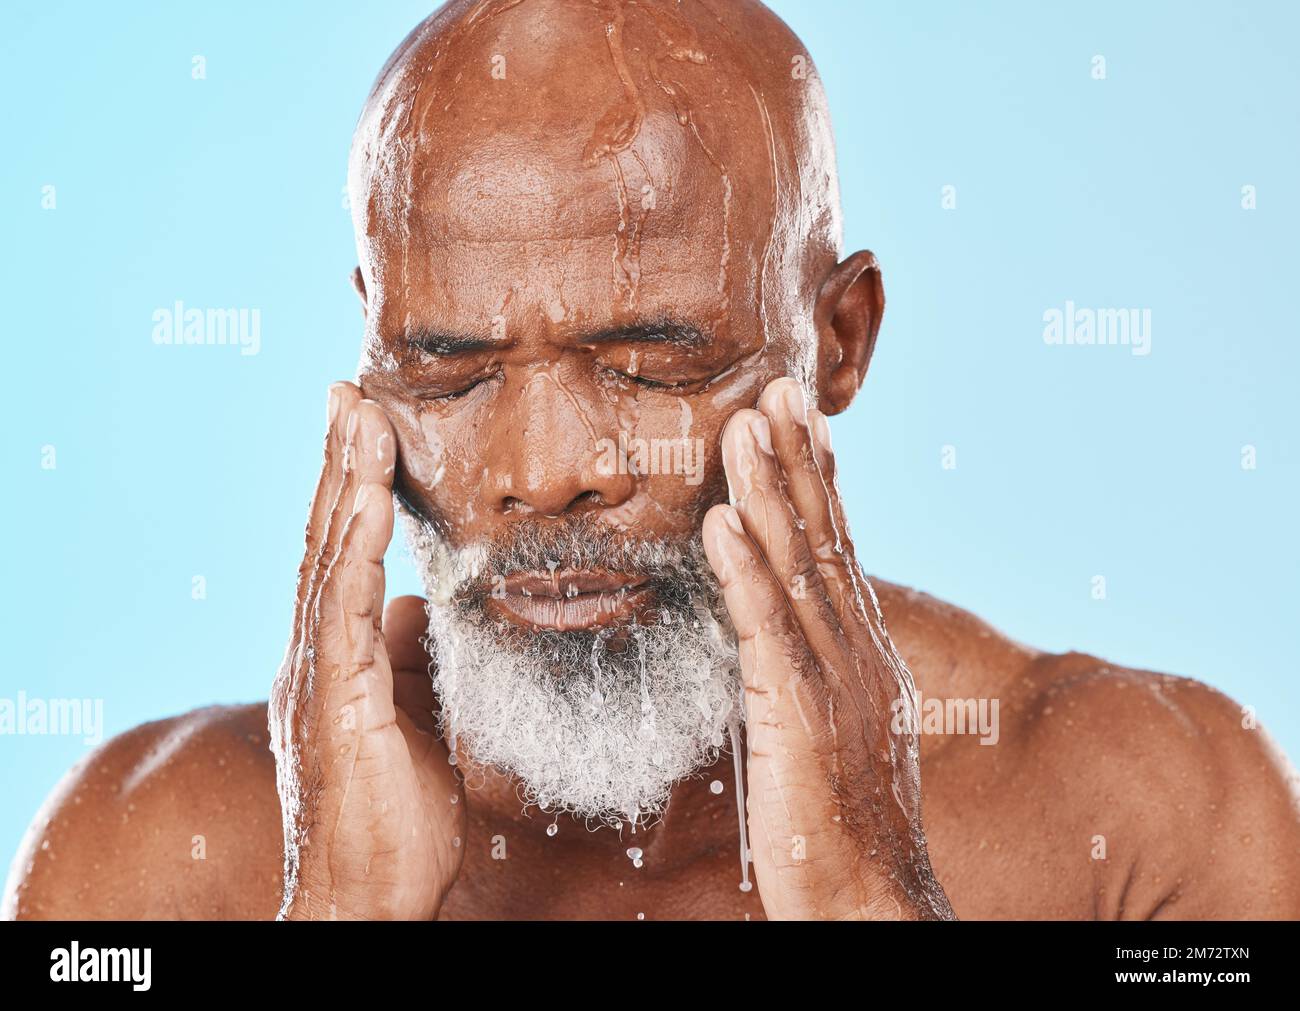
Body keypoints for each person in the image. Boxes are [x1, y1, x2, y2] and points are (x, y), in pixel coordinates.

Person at [6, 0, 1298, 921]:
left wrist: (874, 904)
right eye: (451, 370)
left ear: (838, 343)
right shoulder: (140, 866)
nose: (544, 470)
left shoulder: (1151, 821)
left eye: (649, 363)